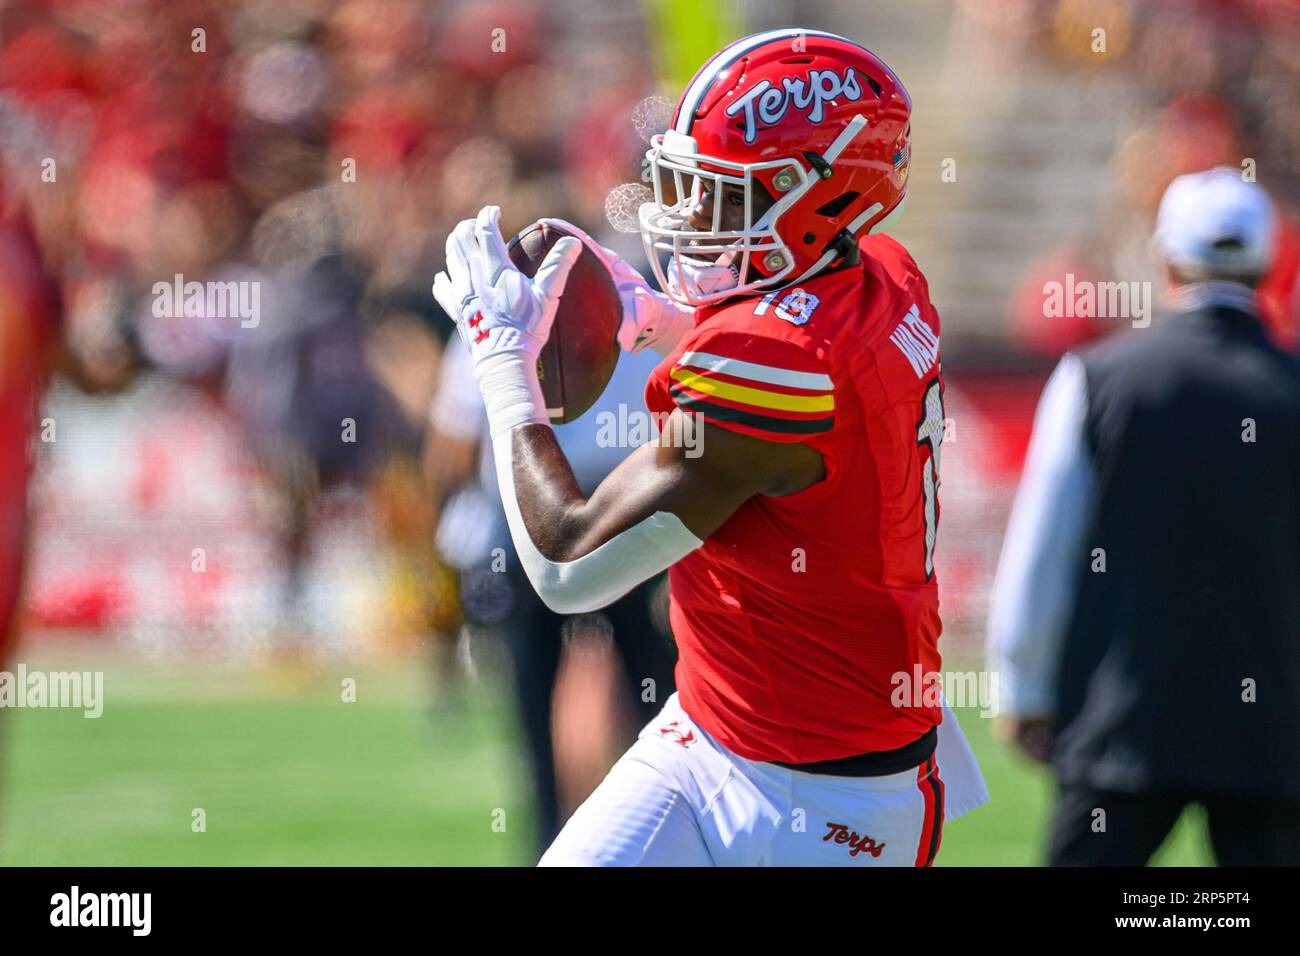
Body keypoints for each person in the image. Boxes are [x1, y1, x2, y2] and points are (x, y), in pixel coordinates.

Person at [434, 29, 986, 866]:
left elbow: (567, 565)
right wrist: (654, 317)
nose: (688, 217)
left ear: (821, 200)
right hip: (708, 733)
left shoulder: (770, 367)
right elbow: (818, 366)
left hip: (837, 797)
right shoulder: (883, 272)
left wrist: (499, 361)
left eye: (726, 198)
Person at [987, 166, 1300, 866]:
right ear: (1269, 263)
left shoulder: (1097, 377)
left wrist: (1024, 685)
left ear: (1163, 258)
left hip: (1119, 724)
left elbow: (1043, 547)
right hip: (1275, 736)